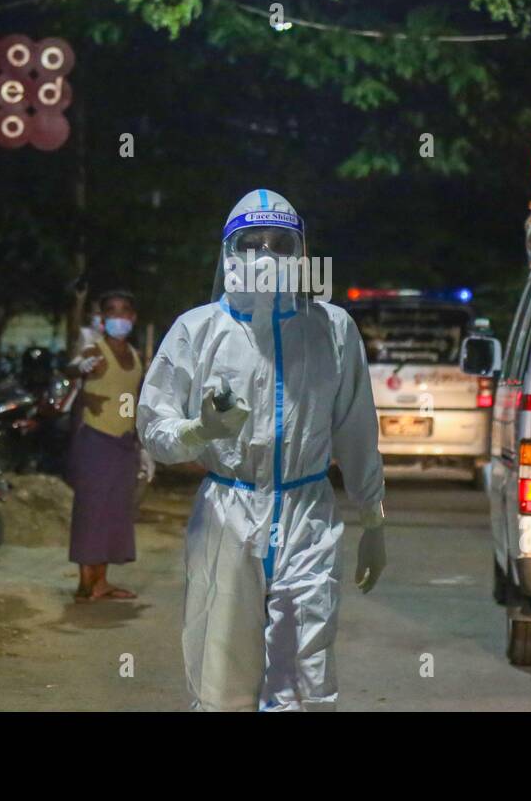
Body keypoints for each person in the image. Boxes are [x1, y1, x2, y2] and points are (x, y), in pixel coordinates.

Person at [137, 189, 386, 712]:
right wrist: (199, 430)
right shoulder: (198, 331)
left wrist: (373, 516)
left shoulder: (332, 330)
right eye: (252, 242)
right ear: (230, 254)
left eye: (281, 242)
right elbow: (154, 430)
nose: (267, 255)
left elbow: (357, 428)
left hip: (308, 516)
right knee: (220, 672)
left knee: (304, 677)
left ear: (302, 253)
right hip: (227, 515)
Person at [62, 290, 143, 601]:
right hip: (95, 440)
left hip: (124, 443)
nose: (118, 318)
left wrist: (142, 443)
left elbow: (136, 399)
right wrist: (81, 371)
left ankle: (101, 581)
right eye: (111, 312)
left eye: (124, 312)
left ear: (133, 318)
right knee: (91, 510)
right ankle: (86, 582)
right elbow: (71, 368)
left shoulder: (135, 357)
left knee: (115, 513)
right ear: (103, 319)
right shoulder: (94, 351)